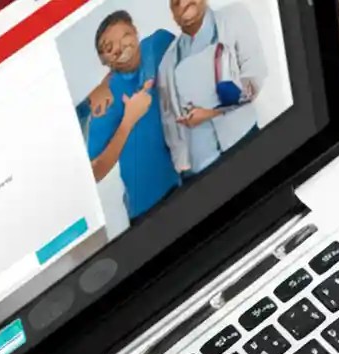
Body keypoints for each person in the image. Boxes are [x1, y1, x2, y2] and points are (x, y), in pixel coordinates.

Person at [86, 11, 181, 221]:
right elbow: (94, 173)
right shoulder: (106, 102)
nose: (120, 48)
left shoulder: (158, 43)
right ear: (103, 59)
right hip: (146, 210)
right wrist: (128, 120)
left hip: (187, 180)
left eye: (125, 35)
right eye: (109, 47)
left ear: (136, 32)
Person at [157, 0, 268, 176]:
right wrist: (183, 167)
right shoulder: (167, 64)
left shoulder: (234, 18)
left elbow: (254, 78)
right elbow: (170, 121)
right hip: (203, 166)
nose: (183, 3)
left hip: (244, 141)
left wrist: (210, 113)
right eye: (176, 2)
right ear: (173, 14)